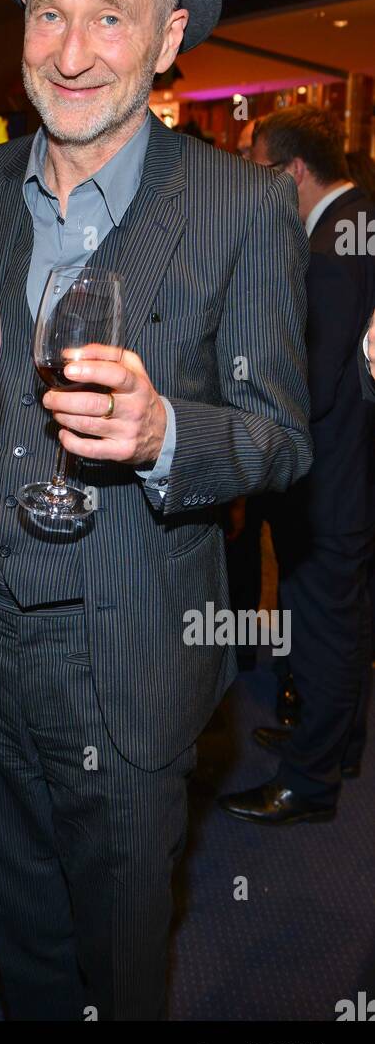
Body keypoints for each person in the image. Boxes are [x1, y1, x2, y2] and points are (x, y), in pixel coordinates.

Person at [0, 0, 312, 1021]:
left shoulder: (240, 209)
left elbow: (280, 439)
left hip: (127, 656)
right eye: (48, 13)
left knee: (115, 955)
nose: (68, 50)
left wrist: (161, 433)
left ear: (168, 39)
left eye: (110, 16)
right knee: (18, 939)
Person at [220, 108, 375, 823]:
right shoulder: (357, 220)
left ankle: (309, 781)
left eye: (256, 163)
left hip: (332, 476)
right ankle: (332, 740)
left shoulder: (334, 245)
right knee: (342, 616)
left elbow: (311, 381)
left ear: (292, 173)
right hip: (350, 472)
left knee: (324, 623)